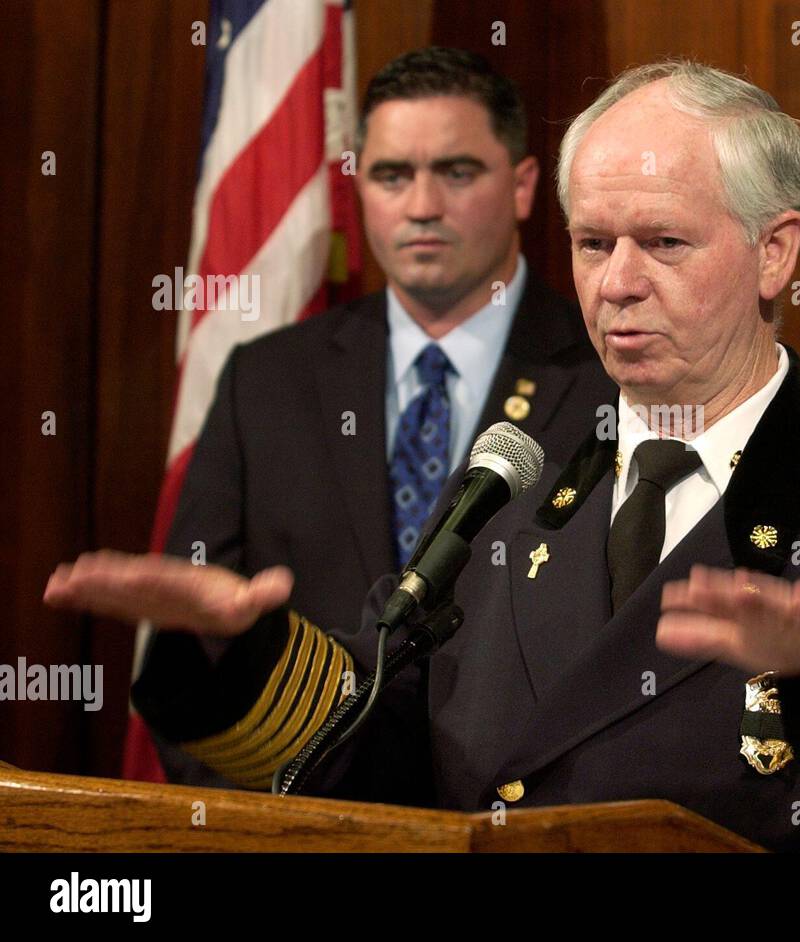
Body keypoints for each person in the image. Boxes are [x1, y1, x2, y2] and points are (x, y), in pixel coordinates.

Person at [49, 61, 800, 851]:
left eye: (663, 243)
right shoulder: (511, 485)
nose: (616, 283)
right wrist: (241, 650)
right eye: (591, 243)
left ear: (775, 251)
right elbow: (383, 743)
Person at [157, 47, 614, 785]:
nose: (422, 205)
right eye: (392, 175)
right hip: (303, 806)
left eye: (457, 172)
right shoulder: (266, 381)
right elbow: (196, 641)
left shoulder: (610, 377)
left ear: (524, 186)